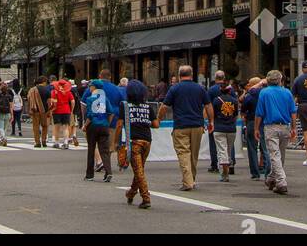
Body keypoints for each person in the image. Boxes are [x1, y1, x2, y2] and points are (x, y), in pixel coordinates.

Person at [158, 64, 213, 192]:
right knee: (194, 154)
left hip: (181, 125)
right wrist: (211, 121)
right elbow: (208, 105)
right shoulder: (200, 89)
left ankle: (188, 182)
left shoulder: (174, 89)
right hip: (197, 125)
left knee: (183, 153)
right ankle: (191, 179)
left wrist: (159, 119)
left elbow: (164, 106)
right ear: (192, 75)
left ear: (179, 76)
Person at [254, 69, 297, 196]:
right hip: (285, 125)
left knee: (274, 154)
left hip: (271, 126)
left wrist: (256, 128)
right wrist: (294, 128)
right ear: (280, 80)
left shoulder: (264, 93)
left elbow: (259, 113)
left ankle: (281, 181)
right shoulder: (287, 92)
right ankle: (272, 178)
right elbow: (293, 112)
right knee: (280, 154)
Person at [119, 79, 157, 208]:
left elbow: (119, 125)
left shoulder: (125, 106)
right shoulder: (148, 107)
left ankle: (146, 198)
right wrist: (144, 121)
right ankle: (131, 193)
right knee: (139, 169)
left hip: (134, 142)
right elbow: (156, 124)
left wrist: (115, 142)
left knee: (138, 171)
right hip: (147, 141)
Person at [82, 78, 114, 182]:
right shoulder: (105, 99)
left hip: (93, 126)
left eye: (90, 86)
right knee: (104, 150)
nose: (89, 88)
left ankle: (89, 175)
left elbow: (90, 115)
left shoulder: (90, 99)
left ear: (94, 87)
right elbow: (111, 112)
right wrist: (107, 124)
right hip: (104, 125)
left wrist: (85, 126)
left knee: (91, 149)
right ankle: (108, 172)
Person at [209, 72, 239, 183]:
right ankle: (230, 165)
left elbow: (213, 112)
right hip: (231, 128)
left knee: (221, 150)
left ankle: (224, 172)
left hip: (219, 127)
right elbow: (235, 114)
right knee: (229, 148)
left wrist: (212, 122)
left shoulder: (216, 101)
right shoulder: (234, 101)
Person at [241, 76, 269, 180]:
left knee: (252, 148)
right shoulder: (267, 93)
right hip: (266, 122)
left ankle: (255, 173)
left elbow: (243, 107)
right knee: (265, 148)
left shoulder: (251, 94)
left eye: (249, 84)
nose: (247, 85)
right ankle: (267, 170)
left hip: (252, 121)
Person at [49, 75, 75, 148]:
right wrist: (71, 110)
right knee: (65, 127)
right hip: (66, 110)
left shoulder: (54, 91)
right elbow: (73, 101)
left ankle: (56, 143)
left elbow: (53, 102)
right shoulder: (68, 92)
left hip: (57, 111)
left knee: (57, 127)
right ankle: (66, 142)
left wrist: (51, 110)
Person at [28, 77, 51, 147]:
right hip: (44, 111)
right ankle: (44, 141)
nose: (46, 83)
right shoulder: (47, 90)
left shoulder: (32, 90)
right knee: (45, 126)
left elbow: (29, 99)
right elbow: (49, 102)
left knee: (36, 127)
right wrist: (49, 111)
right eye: (46, 82)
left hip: (35, 110)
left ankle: (37, 142)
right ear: (43, 82)